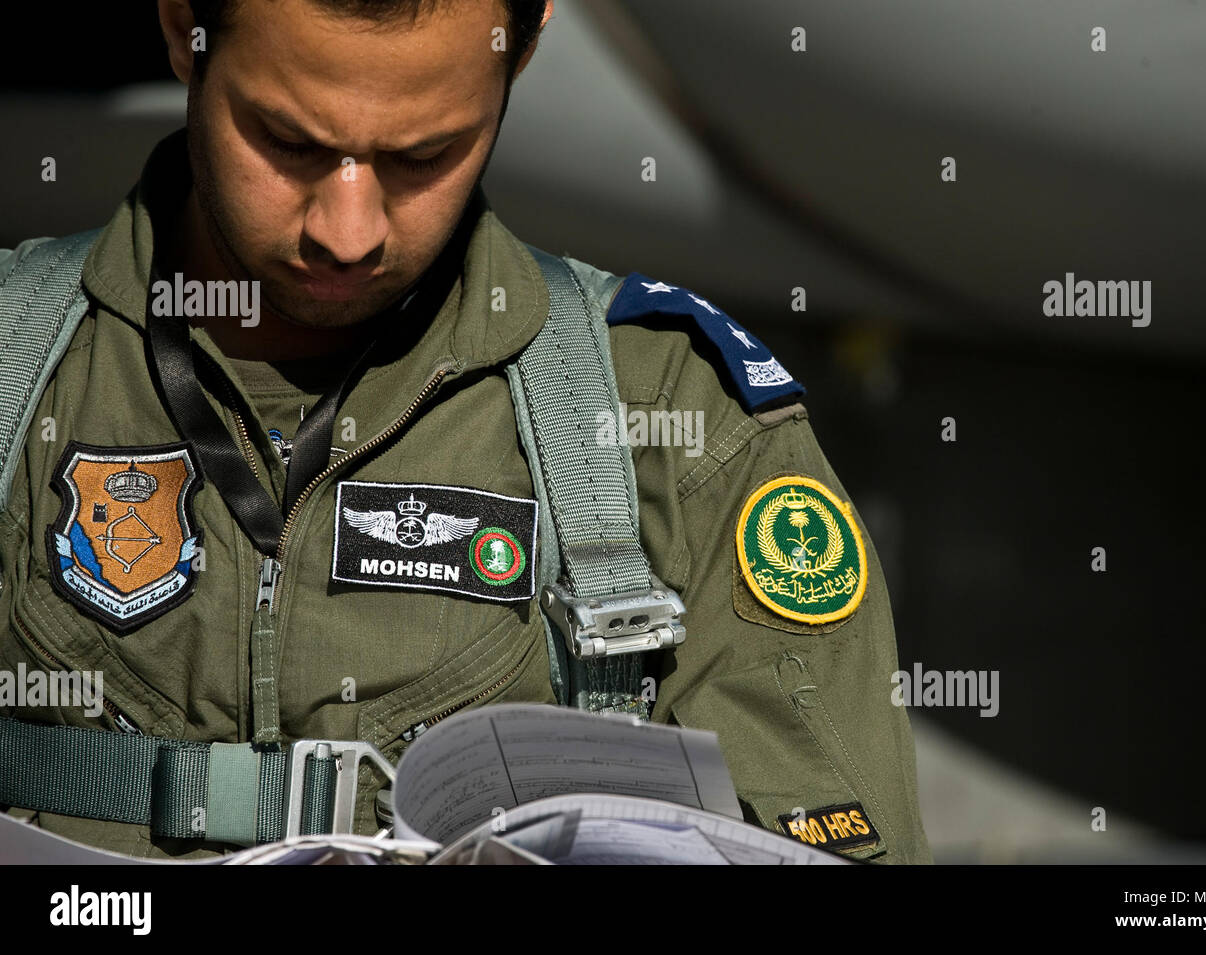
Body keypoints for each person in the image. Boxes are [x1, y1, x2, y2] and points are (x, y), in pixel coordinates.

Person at [0, 0, 931, 862]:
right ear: (180, 30)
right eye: (287, 141)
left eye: (422, 156)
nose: (349, 230)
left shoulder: (671, 425)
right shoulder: (18, 374)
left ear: (520, 54)